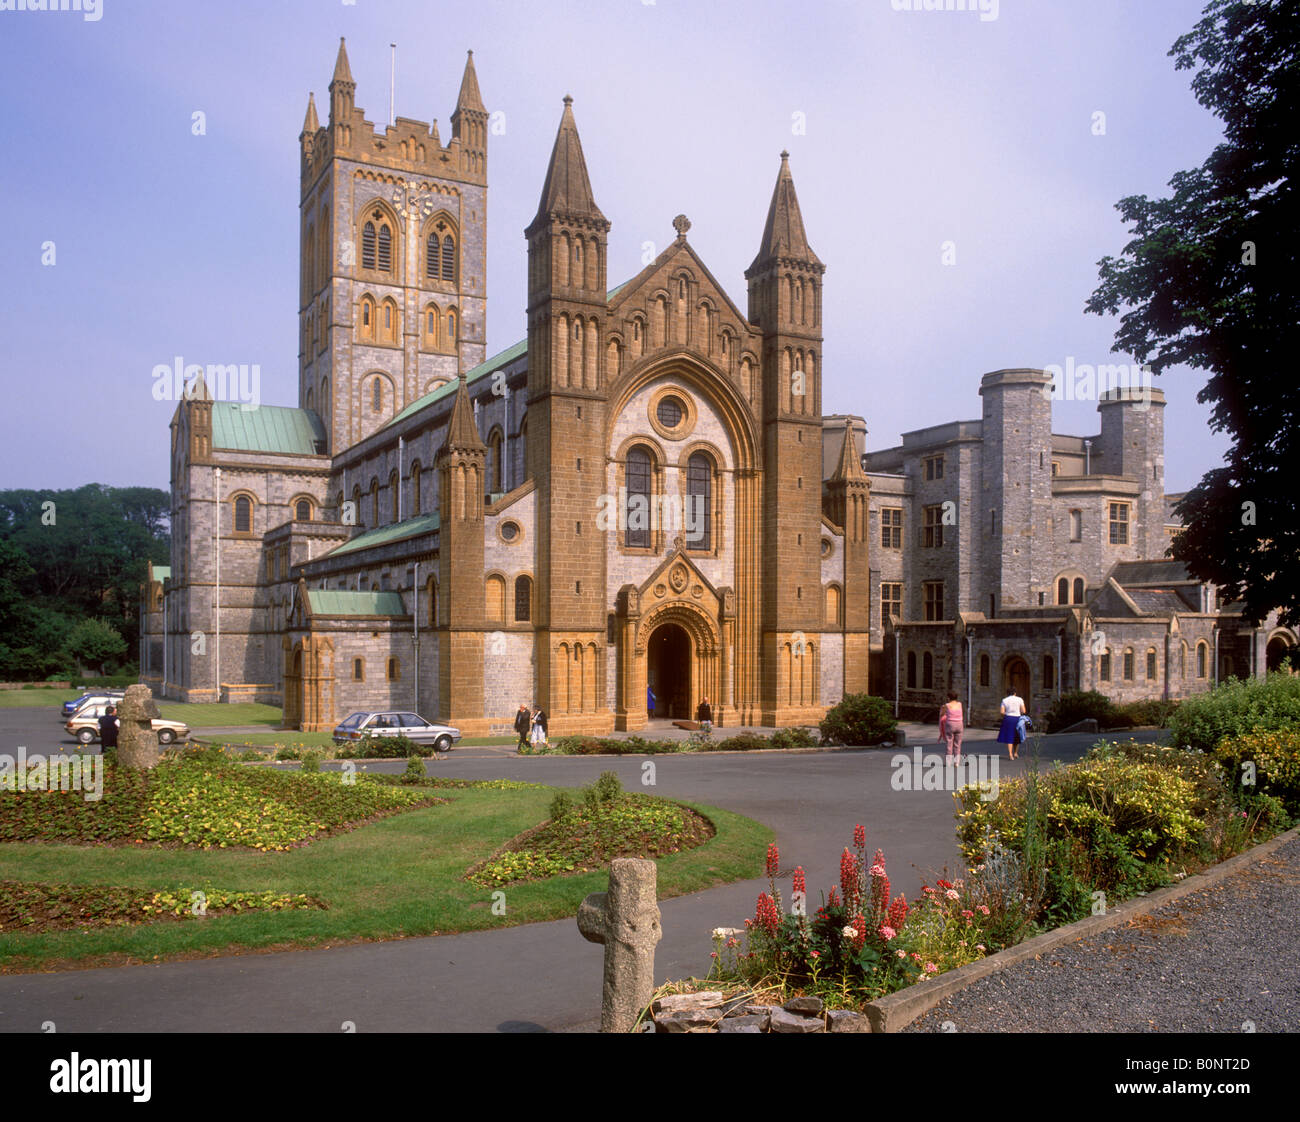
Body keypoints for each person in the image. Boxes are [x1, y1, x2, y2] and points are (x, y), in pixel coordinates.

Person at [998, 688, 1027, 761]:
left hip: (1008, 718)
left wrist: (1007, 714)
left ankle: (1010, 754)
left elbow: (1002, 712)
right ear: (1015, 693)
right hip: (1017, 718)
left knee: (1009, 736)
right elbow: (1024, 710)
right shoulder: (1020, 699)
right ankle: (1016, 753)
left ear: (1007, 693)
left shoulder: (1004, 700)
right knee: (1017, 736)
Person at [939, 691, 963, 764]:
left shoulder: (947, 705)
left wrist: (943, 710)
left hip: (950, 724)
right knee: (957, 744)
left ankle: (948, 762)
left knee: (949, 743)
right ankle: (957, 762)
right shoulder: (960, 704)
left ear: (949, 698)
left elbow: (941, 714)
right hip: (959, 724)